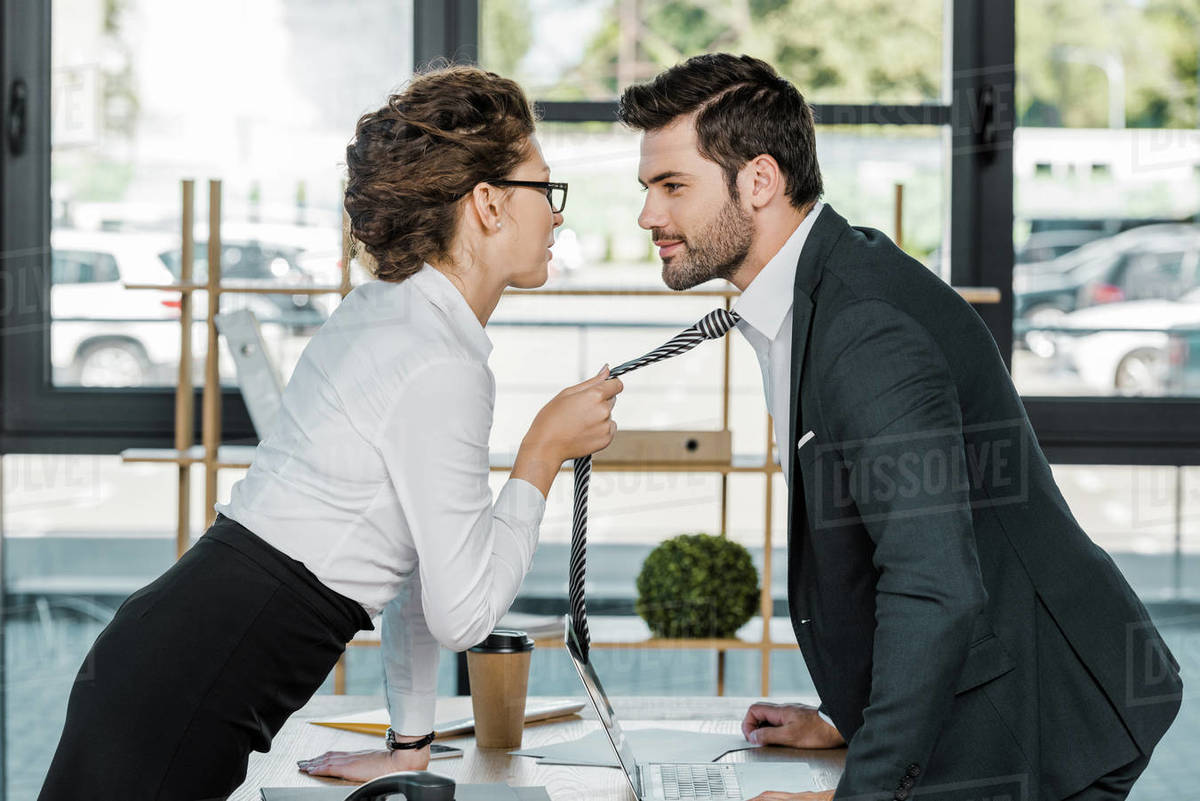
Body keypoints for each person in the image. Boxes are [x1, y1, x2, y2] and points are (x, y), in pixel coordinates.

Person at [38, 65, 623, 799]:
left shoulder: (388, 312)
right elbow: (464, 611)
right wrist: (542, 455)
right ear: (488, 204)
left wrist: (410, 742)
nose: (558, 214)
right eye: (546, 189)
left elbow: (419, 563)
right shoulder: (438, 360)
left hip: (159, 663)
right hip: (177, 695)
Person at [618, 53, 1182, 801]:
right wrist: (848, 718)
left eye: (672, 186)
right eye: (648, 188)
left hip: (1044, 721)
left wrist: (860, 792)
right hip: (997, 698)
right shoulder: (814, 290)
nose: (648, 215)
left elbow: (933, 585)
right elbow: (882, 534)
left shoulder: (864, 327)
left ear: (759, 181)